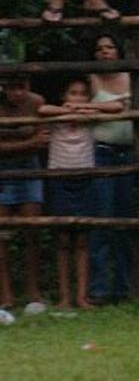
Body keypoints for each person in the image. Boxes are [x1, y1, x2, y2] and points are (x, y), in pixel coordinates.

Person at [38, 76, 113, 309]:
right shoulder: (56, 117)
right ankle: (64, 297)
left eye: (82, 94)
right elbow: (42, 109)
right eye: (73, 93)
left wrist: (86, 108)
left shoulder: (89, 116)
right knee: (62, 239)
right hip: (59, 179)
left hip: (85, 179)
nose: (78, 98)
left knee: (82, 240)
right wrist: (68, 109)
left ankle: (81, 296)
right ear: (64, 96)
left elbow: (116, 108)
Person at [87, 33, 134, 303]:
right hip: (102, 153)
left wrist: (102, 108)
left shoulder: (131, 76)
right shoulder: (92, 78)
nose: (104, 52)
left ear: (118, 51)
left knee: (125, 222)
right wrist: (115, 106)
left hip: (128, 154)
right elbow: (87, 109)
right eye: (99, 48)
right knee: (101, 221)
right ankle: (99, 289)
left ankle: (123, 287)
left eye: (109, 47)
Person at [0, 75, 48, 309]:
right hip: (3, 169)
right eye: (12, 88)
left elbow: (43, 139)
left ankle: (33, 292)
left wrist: (25, 145)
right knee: (2, 235)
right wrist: (28, 143)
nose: (17, 93)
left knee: (32, 231)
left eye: (21, 88)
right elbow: (35, 141)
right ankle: (5, 294)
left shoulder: (37, 102)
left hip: (29, 168)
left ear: (28, 86)